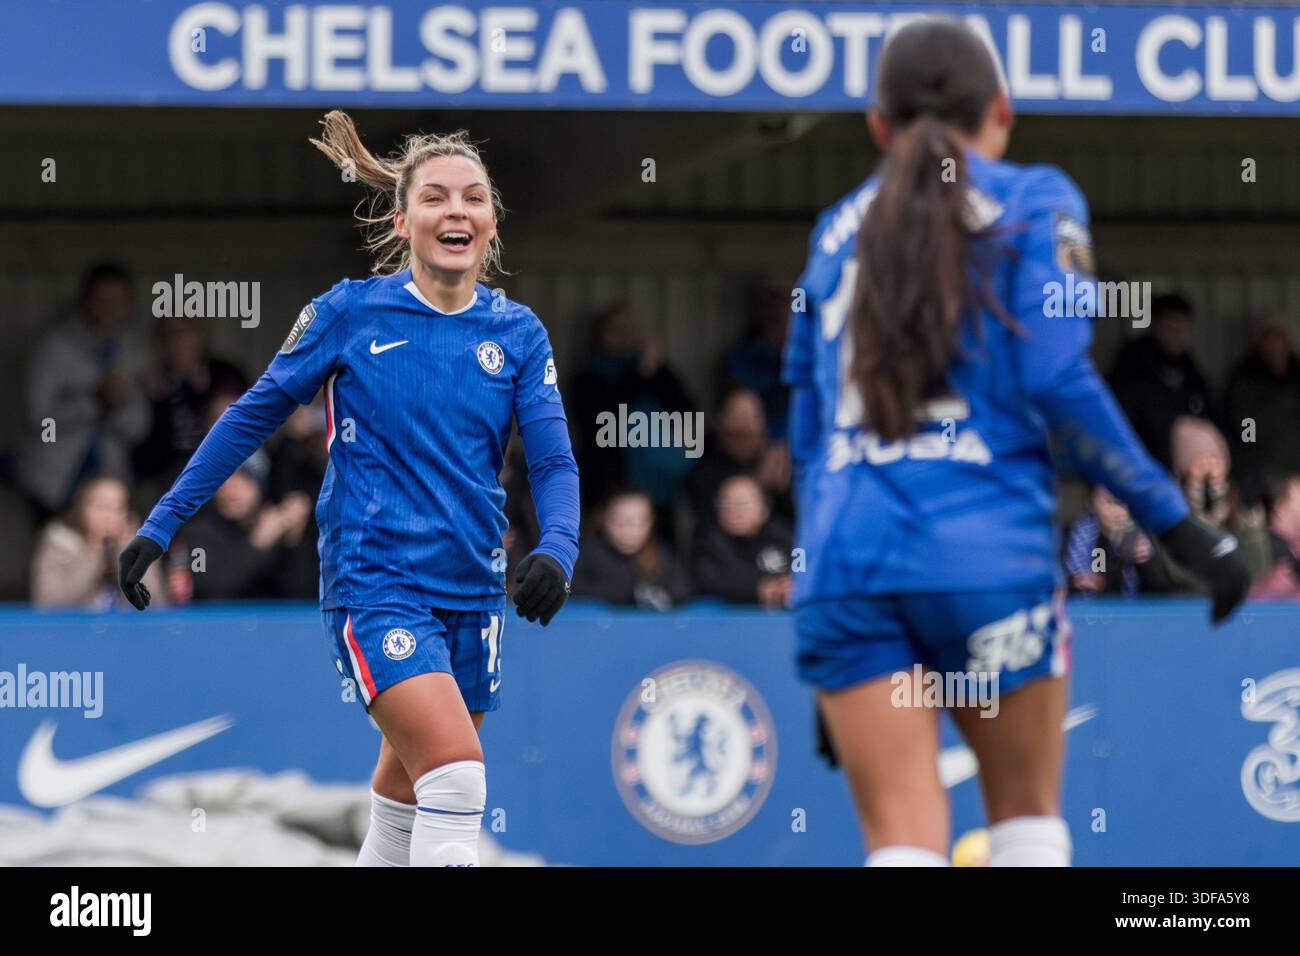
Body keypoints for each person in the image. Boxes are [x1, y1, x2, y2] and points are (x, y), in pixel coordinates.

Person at [783, 19, 1250, 868]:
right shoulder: (1037, 198)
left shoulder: (830, 232)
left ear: (876, 124)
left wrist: (830, 613)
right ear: (1002, 108)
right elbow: (1058, 381)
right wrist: (1178, 524)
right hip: (982, 552)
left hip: (846, 561)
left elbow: (809, 429)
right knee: (1027, 826)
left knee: (902, 849)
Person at [117, 111, 580, 868]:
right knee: (457, 781)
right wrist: (162, 522)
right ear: (403, 220)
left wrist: (558, 547)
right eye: (435, 197)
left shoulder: (519, 332)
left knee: (402, 813)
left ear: (493, 221)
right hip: (378, 584)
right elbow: (250, 418)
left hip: (472, 588)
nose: (455, 210)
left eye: (472, 197)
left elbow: (555, 464)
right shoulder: (349, 312)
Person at [17, 263, 153, 516]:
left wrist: (115, 405)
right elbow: (37, 419)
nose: (111, 309)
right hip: (53, 480)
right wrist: (94, 401)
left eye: (119, 301)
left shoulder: (135, 348)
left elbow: (138, 428)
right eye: (103, 300)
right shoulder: (53, 345)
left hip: (108, 482)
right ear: (86, 301)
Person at [1106, 293, 1215, 469]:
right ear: (1155, 327)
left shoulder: (1190, 369)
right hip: (1140, 464)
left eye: (1183, 329)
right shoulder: (1132, 363)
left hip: (1184, 469)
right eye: (1171, 328)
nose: (1177, 336)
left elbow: (1206, 415)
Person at [32, 475, 164, 610]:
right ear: (81, 509)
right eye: (100, 507)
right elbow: (47, 603)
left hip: (123, 628)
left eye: (117, 508)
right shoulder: (59, 543)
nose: (108, 516)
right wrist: (93, 553)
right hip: (74, 627)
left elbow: (155, 604)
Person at [1221, 316, 1300, 506]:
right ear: (1259, 344)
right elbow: (1247, 432)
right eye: (1269, 339)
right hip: (1266, 474)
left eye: (1280, 338)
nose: (1276, 346)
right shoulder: (1245, 380)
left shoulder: (1296, 375)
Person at [570, 489, 690, 610]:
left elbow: (682, 593)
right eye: (619, 522)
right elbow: (571, 591)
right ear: (603, 519)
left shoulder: (660, 555)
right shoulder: (584, 553)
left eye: (638, 522)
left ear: (651, 522)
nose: (628, 530)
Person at [691, 474, 792, 607]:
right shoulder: (708, 541)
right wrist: (759, 588)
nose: (734, 510)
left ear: (764, 509)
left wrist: (793, 582)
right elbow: (711, 579)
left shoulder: (782, 534)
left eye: (742, 503)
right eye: (726, 503)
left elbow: (804, 563)